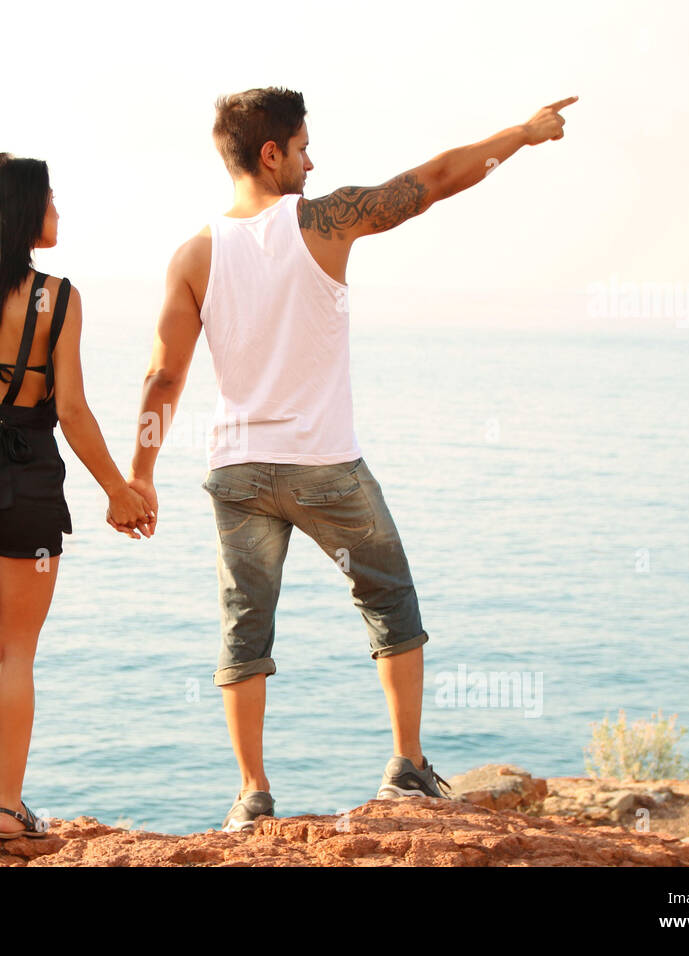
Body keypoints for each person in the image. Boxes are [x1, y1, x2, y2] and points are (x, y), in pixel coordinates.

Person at [111, 87, 576, 831]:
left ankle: (252, 795)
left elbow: (162, 376)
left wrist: (138, 473)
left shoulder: (193, 255)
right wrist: (522, 132)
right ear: (272, 153)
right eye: (302, 147)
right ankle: (406, 769)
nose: (312, 160)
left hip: (238, 472)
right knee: (391, 602)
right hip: (325, 463)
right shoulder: (328, 221)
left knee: (243, 628)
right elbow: (434, 180)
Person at [0, 152, 154, 839]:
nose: (58, 211)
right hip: (28, 484)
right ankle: (12, 809)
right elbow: (73, 411)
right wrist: (120, 490)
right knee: (13, 652)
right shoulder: (56, 297)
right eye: (50, 199)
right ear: (22, 212)